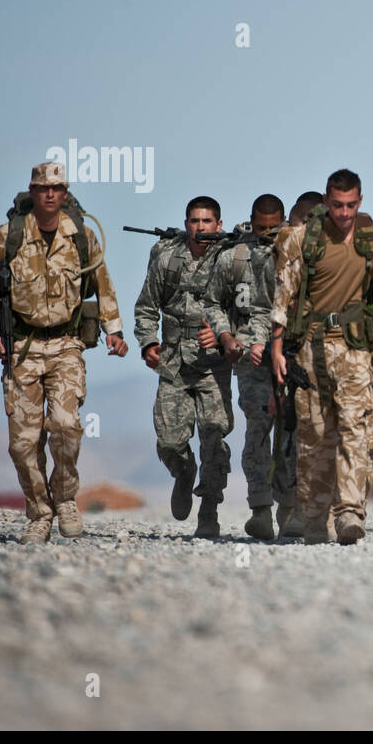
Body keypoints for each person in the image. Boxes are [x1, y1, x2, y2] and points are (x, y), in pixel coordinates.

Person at [268, 169, 373, 545]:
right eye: (337, 205)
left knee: (353, 430)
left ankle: (349, 512)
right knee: (313, 436)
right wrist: (277, 350)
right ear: (326, 202)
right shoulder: (301, 240)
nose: (343, 213)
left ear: (359, 202)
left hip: (354, 347)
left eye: (351, 205)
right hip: (310, 347)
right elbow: (282, 299)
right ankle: (313, 517)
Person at [0, 162, 129, 544]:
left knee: (65, 425)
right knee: (23, 443)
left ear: (65, 192)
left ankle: (66, 499)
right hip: (20, 348)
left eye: (57, 187)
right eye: (43, 188)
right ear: (32, 191)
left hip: (65, 345)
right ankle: (40, 513)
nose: (50, 194)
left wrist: (114, 332)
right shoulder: (6, 237)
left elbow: (104, 287)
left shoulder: (82, 237)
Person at [133, 196, 235, 539]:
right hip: (174, 362)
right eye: (194, 221)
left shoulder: (232, 260)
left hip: (213, 366)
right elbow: (147, 306)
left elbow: (250, 310)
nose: (201, 227)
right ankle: (183, 471)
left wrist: (225, 335)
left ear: (218, 225)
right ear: (186, 223)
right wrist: (148, 342)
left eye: (207, 221)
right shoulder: (167, 258)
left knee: (214, 435)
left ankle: (209, 509)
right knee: (169, 441)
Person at [203, 194, 299, 541]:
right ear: (251, 221)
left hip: (291, 353)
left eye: (275, 229)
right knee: (258, 428)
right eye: (261, 228)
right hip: (250, 357)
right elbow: (212, 302)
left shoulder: (296, 253)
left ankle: (291, 507)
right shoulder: (234, 257)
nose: (267, 236)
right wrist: (227, 338)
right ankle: (260, 508)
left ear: (285, 221)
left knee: (293, 429)